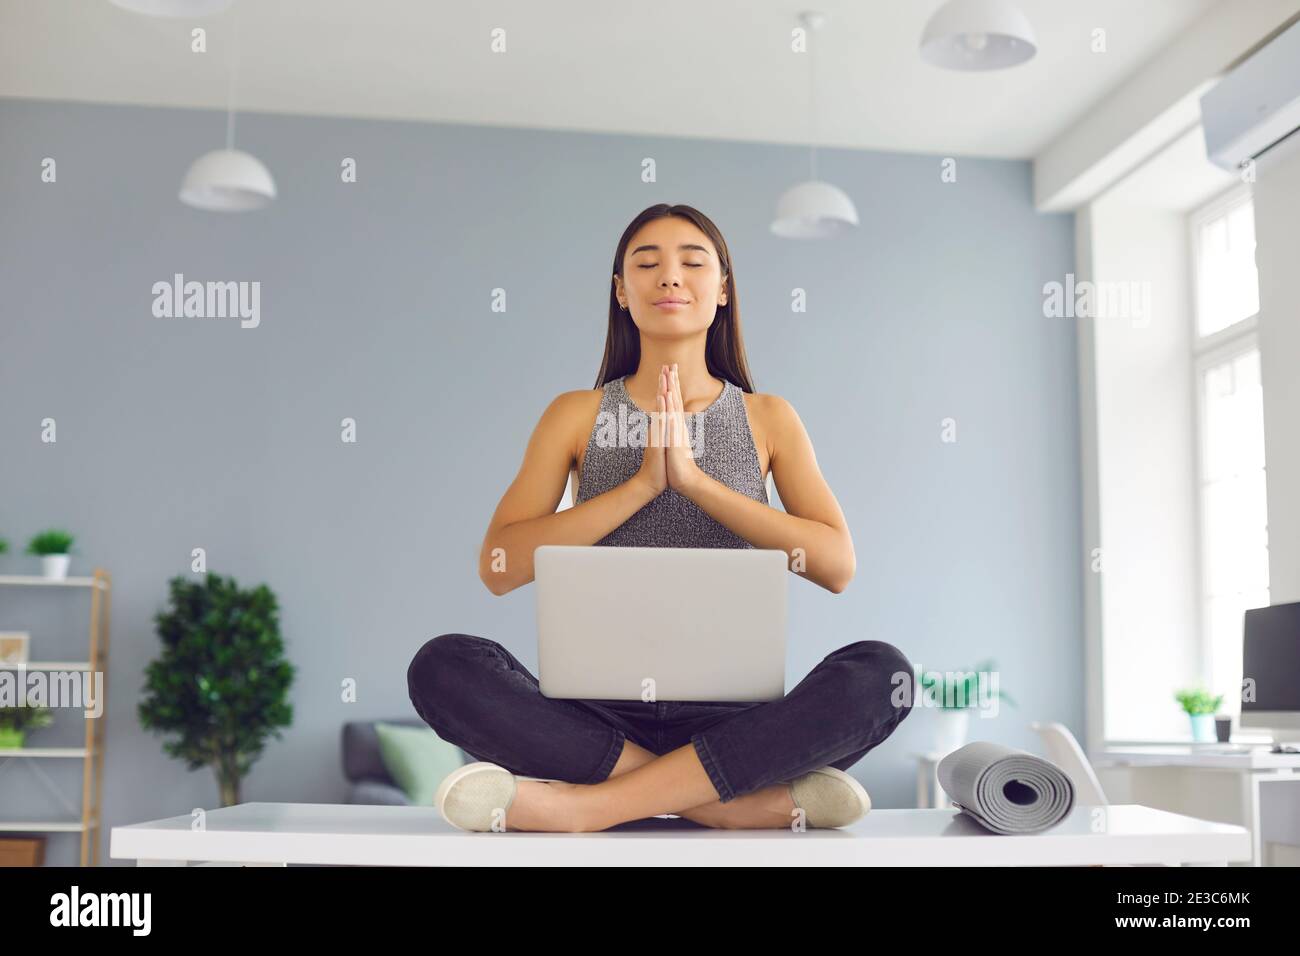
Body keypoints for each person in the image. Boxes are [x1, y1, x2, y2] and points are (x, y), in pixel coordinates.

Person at [407, 203, 915, 833]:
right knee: (443, 665)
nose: (669, 277)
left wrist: (697, 483)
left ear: (723, 289)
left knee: (881, 674)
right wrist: (643, 484)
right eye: (646, 264)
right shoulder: (574, 414)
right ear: (622, 292)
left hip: (731, 718)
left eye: (692, 262)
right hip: (597, 719)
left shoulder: (769, 418)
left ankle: (585, 808)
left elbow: (836, 566)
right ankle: (732, 805)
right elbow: (500, 567)